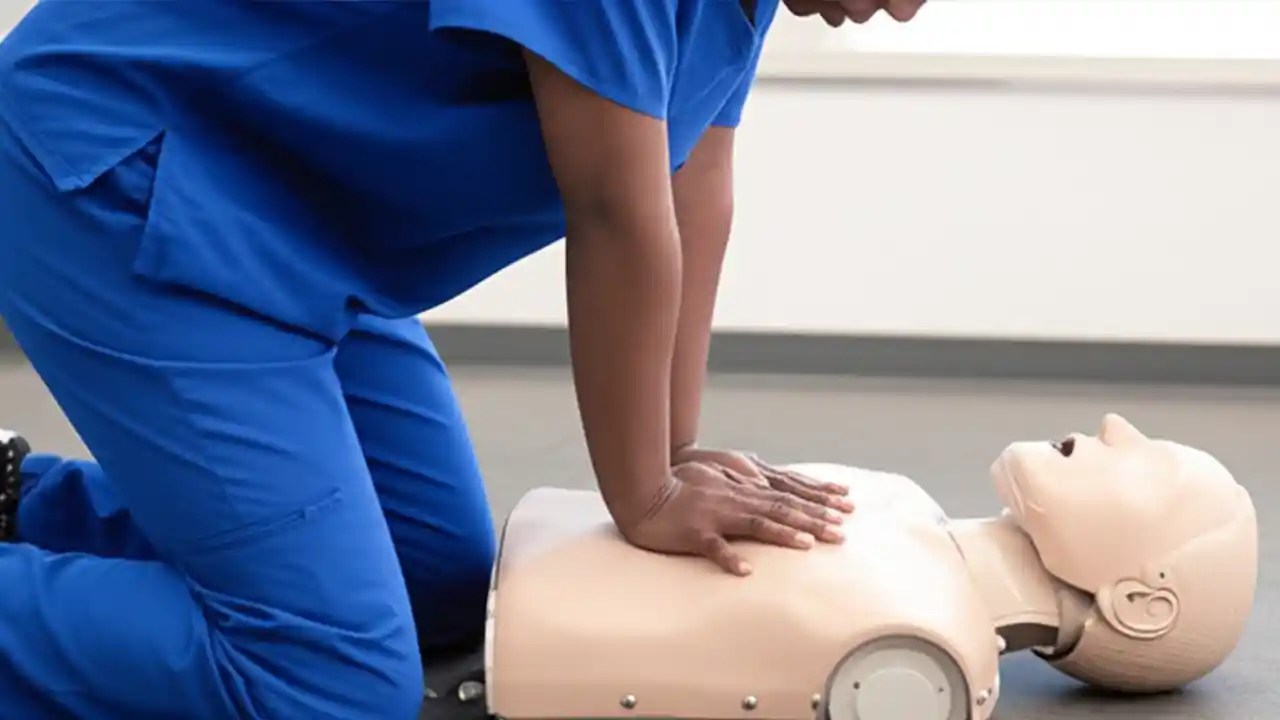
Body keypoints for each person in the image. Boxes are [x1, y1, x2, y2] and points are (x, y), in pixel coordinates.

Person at [0, 0, 924, 718]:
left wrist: (677, 454)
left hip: (300, 221)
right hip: (130, 174)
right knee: (324, 682)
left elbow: (694, 192)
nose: (910, 11)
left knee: (439, 578)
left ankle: (16, 502)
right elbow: (614, 213)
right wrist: (645, 491)